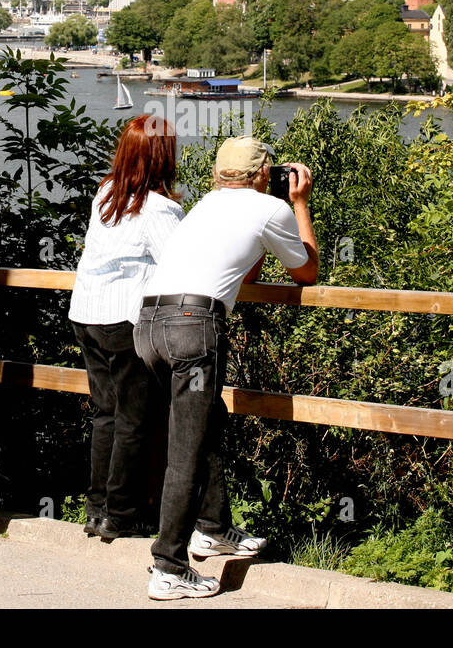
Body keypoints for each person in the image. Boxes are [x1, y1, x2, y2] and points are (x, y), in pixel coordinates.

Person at [135, 136, 318, 599]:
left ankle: (213, 527)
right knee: (188, 448)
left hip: (149, 326)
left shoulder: (204, 207)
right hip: (193, 328)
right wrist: (299, 205)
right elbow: (307, 271)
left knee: (205, 423)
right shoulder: (270, 209)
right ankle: (169, 566)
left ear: (220, 174)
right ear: (262, 175)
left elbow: (243, 269)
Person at [68, 114, 183, 541]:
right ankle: (120, 513)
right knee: (134, 418)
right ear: (162, 157)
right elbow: (182, 265)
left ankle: (96, 507)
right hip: (123, 318)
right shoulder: (160, 209)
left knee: (105, 413)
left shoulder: (105, 194)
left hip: (86, 312)